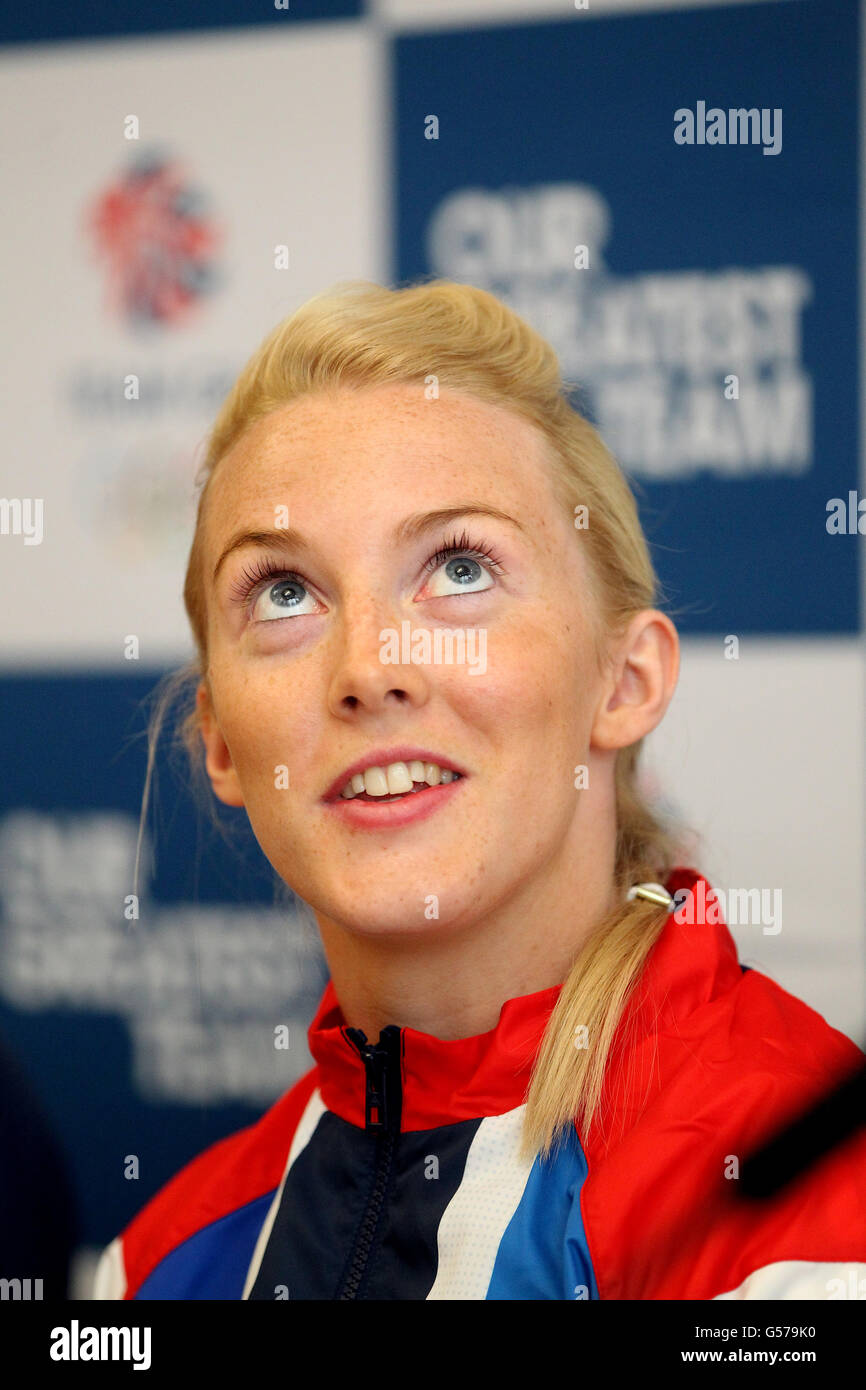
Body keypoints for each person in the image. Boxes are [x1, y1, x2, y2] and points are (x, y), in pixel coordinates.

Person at [93, 279, 866, 1300]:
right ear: (222, 743)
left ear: (622, 680)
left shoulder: (808, 1212)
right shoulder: (155, 1267)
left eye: (458, 567)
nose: (369, 667)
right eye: (285, 592)